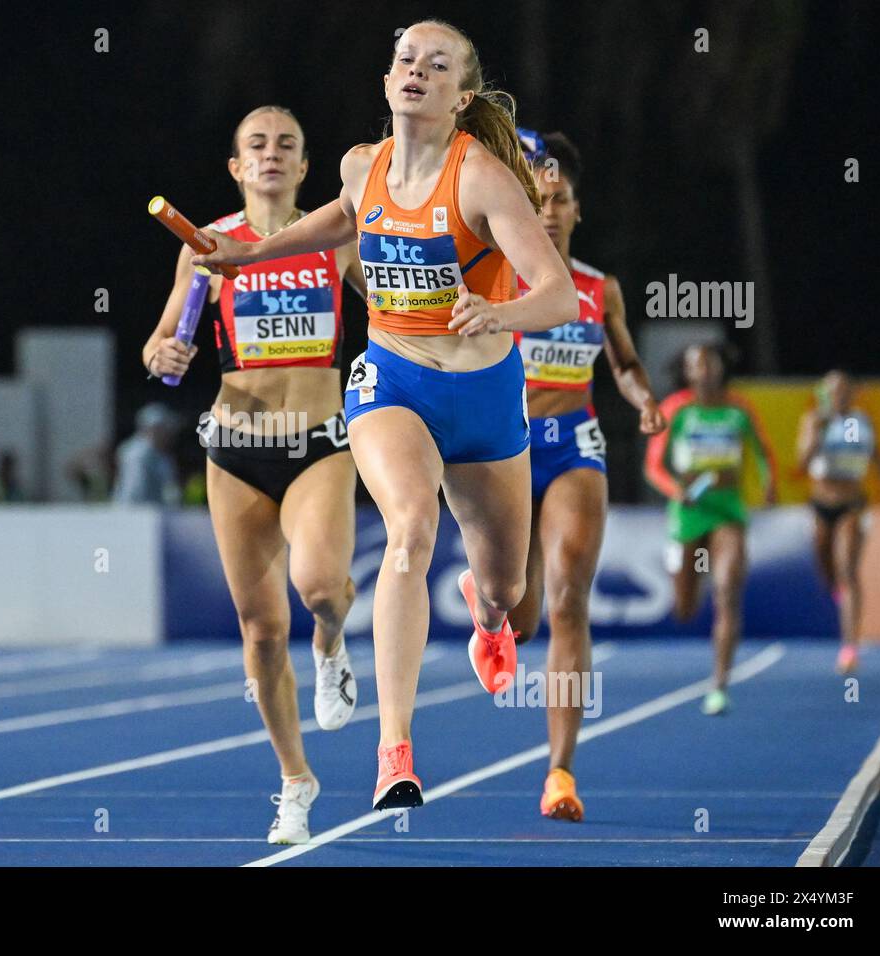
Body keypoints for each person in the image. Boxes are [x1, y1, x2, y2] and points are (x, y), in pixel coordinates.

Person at [196, 21, 577, 811]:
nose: (416, 72)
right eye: (406, 60)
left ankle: (488, 611)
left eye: (436, 66)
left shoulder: (482, 182)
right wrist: (249, 254)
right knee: (408, 529)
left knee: (511, 587)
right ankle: (394, 751)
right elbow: (339, 217)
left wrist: (502, 315)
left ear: (460, 95)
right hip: (394, 379)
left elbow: (559, 293)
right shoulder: (361, 166)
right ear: (387, 80)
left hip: (482, 395)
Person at [142, 106, 367, 842]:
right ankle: (295, 782)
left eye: (288, 145)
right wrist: (163, 356)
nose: (272, 154)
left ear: (306, 167)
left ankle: (332, 644)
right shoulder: (206, 246)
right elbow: (163, 337)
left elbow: (398, 311)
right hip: (235, 449)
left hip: (319, 442)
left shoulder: (338, 241)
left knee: (321, 588)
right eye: (256, 145)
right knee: (263, 632)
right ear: (237, 167)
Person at [508, 130, 666, 820]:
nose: (548, 211)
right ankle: (495, 610)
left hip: (574, 444)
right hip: (506, 451)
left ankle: (560, 773)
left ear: (576, 211)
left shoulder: (600, 289)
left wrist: (642, 398)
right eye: (537, 200)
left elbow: (624, 363)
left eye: (560, 200)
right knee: (518, 613)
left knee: (570, 597)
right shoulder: (496, 275)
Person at [644, 343, 776, 714]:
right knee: (685, 607)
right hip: (689, 511)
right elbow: (653, 466)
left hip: (727, 507)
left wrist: (768, 483)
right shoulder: (677, 409)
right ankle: (696, 568)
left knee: (728, 591)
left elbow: (763, 450)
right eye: (695, 363)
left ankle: (719, 684)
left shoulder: (739, 408)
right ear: (686, 372)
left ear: (719, 366)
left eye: (709, 360)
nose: (703, 367)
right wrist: (677, 490)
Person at [797, 370, 880, 673]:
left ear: (852, 393)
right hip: (820, 504)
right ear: (824, 394)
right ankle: (838, 591)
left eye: (844, 390)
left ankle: (849, 647)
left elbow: (875, 456)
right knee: (826, 566)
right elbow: (802, 463)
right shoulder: (814, 420)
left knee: (847, 569)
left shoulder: (859, 421)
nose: (839, 396)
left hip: (852, 504)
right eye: (833, 391)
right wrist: (818, 432)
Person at [112, 403, 182, 505]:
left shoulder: (162, 456)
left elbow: (170, 491)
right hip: (137, 514)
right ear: (153, 429)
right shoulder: (136, 454)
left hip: (155, 513)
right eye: (165, 429)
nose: (169, 434)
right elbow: (134, 491)